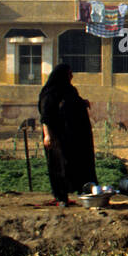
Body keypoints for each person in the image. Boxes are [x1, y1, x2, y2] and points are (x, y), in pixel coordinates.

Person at [38, 64, 98, 206]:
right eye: (69, 73)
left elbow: (71, 104)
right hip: (57, 137)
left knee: (78, 163)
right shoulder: (50, 93)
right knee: (59, 165)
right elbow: (45, 116)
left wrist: (82, 102)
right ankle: (61, 197)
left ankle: (82, 191)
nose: (72, 76)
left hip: (74, 137)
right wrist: (47, 135)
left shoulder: (69, 90)